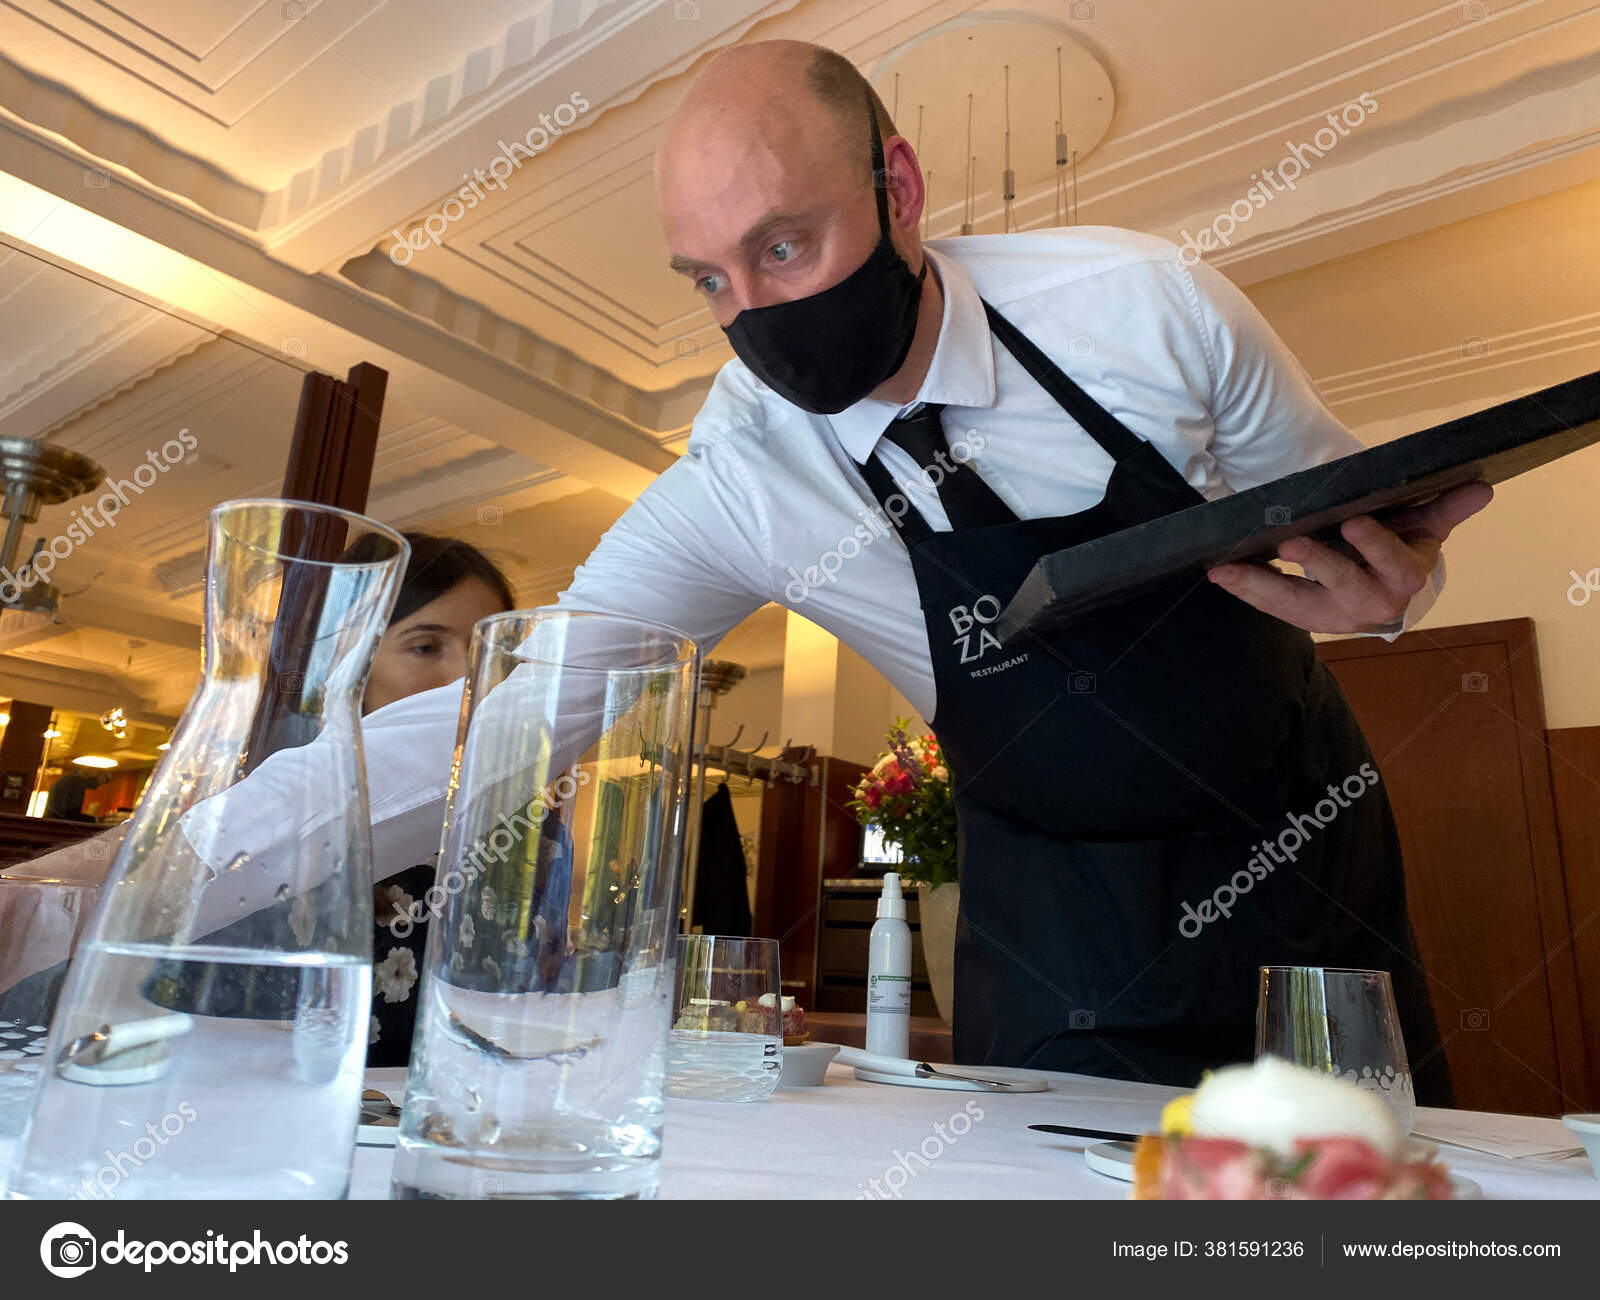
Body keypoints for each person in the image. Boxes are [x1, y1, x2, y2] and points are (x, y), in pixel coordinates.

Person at [105, 42, 1497, 1098]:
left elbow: (1359, 531)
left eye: (784, 245)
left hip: (1294, 833)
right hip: (1047, 896)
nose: (755, 313)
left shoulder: (1145, 306)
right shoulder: (740, 482)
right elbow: (500, 724)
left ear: (899, 189)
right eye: (710, 279)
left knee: (1358, 1192)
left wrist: (1393, 600)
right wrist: (107, 888)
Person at [3, 534, 516, 1068]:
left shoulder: (523, 834)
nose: (467, 678)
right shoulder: (239, 814)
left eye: (495, 651)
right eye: (427, 647)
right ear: (348, 660)